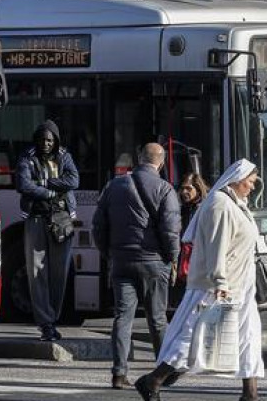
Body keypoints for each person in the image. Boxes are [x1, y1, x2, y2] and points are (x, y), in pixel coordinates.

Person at [134, 159, 264, 401]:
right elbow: (217, 246)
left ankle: (251, 394)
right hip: (216, 287)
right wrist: (220, 282)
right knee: (193, 337)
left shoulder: (238, 204)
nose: (253, 186)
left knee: (249, 338)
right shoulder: (220, 205)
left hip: (242, 287)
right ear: (237, 179)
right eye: (250, 181)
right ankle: (154, 380)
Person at [93, 143, 182, 390]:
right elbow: (170, 230)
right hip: (154, 263)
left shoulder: (113, 185)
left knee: (123, 318)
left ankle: (119, 373)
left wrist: (109, 254)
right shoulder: (165, 189)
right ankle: (164, 371)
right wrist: (172, 258)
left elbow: (98, 226)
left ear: (138, 158)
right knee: (157, 319)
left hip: (121, 261)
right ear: (161, 163)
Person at [16, 119, 80, 342]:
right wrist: (51, 192)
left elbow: (74, 179)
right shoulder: (27, 156)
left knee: (59, 272)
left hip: (62, 219)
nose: (46, 143)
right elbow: (23, 185)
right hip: (36, 218)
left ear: (56, 141)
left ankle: (53, 317)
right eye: (42, 139)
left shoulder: (64, 155)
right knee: (36, 273)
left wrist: (44, 183)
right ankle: (46, 323)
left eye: (50, 140)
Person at [171, 172, 209, 305]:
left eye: (189, 188)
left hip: (198, 262)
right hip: (184, 263)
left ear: (198, 189)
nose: (184, 192)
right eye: (182, 188)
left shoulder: (205, 209)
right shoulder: (182, 210)